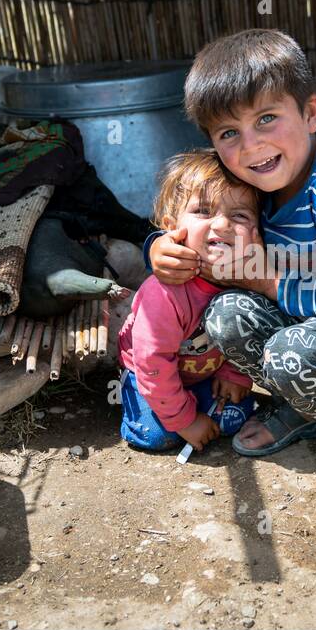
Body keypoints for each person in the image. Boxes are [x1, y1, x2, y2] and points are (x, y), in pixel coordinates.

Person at [149, 29, 316, 497]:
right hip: (304, 334)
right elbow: (198, 229)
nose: (251, 146)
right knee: (226, 316)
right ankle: (305, 407)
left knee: (293, 352)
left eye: (267, 119)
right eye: (229, 133)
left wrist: (266, 279)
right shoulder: (258, 186)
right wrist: (160, 247)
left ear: (311, 113)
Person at [117, 150, 258, 452]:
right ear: (171, 228)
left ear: (257, 234)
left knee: (234, 417)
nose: (221, 225)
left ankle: (192, 403)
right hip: (151, 374)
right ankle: (150, 402)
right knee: (157, 436)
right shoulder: (165, 293)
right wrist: (184, 421)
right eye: (204, 212)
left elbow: (250, 337)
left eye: (240, 215)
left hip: (205, 371)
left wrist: (234, 374)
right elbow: (152, 363)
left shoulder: (251, 277)